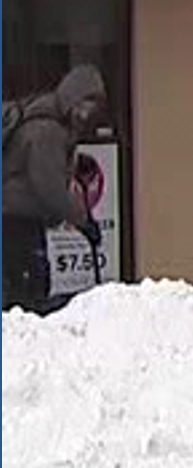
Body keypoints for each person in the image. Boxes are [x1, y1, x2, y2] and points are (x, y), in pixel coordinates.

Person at [2, 65, 109, 313]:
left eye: (91, 108)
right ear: (71, 97)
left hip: (17, 218)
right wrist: (83, 221)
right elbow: (49, 188)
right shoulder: (47, 130)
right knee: (28, 293)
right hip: (16, 220)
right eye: (84, 104)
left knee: (22, 289)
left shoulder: (50, 123)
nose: (86, 114)